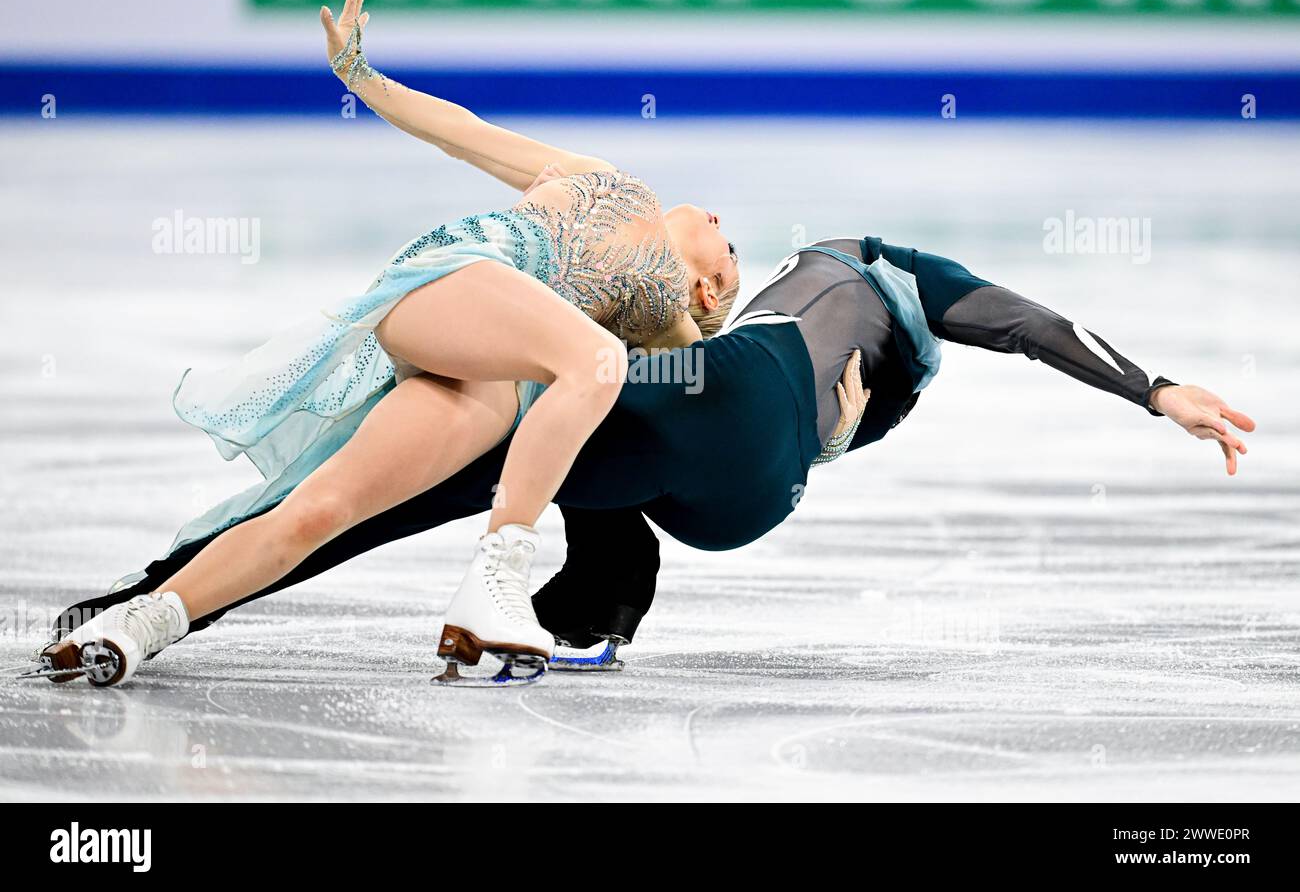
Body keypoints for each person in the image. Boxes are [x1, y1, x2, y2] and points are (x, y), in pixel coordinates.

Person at [42, 231, 1253, 686]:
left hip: (724, 403)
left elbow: (1033, 324)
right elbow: (1035, 331)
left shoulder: (866, 264)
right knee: (582, 462)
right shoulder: (865, 323)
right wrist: (1147, 391)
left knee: (394, 486)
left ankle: (161, 593)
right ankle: (591, 611)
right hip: (746, 493)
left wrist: (1153, 386)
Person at [39, 0, 741, 687]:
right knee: (594, 357)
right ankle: (494, 584)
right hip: (452, 282)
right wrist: (361, 76)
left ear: (704, 289)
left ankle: (141, 619)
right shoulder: (607, 178)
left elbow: (729, 398)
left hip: (488, 378)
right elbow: (465, 135)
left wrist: (830, 428)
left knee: (323, 509)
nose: (722, 224)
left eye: (730, 256)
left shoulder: (666, 317)